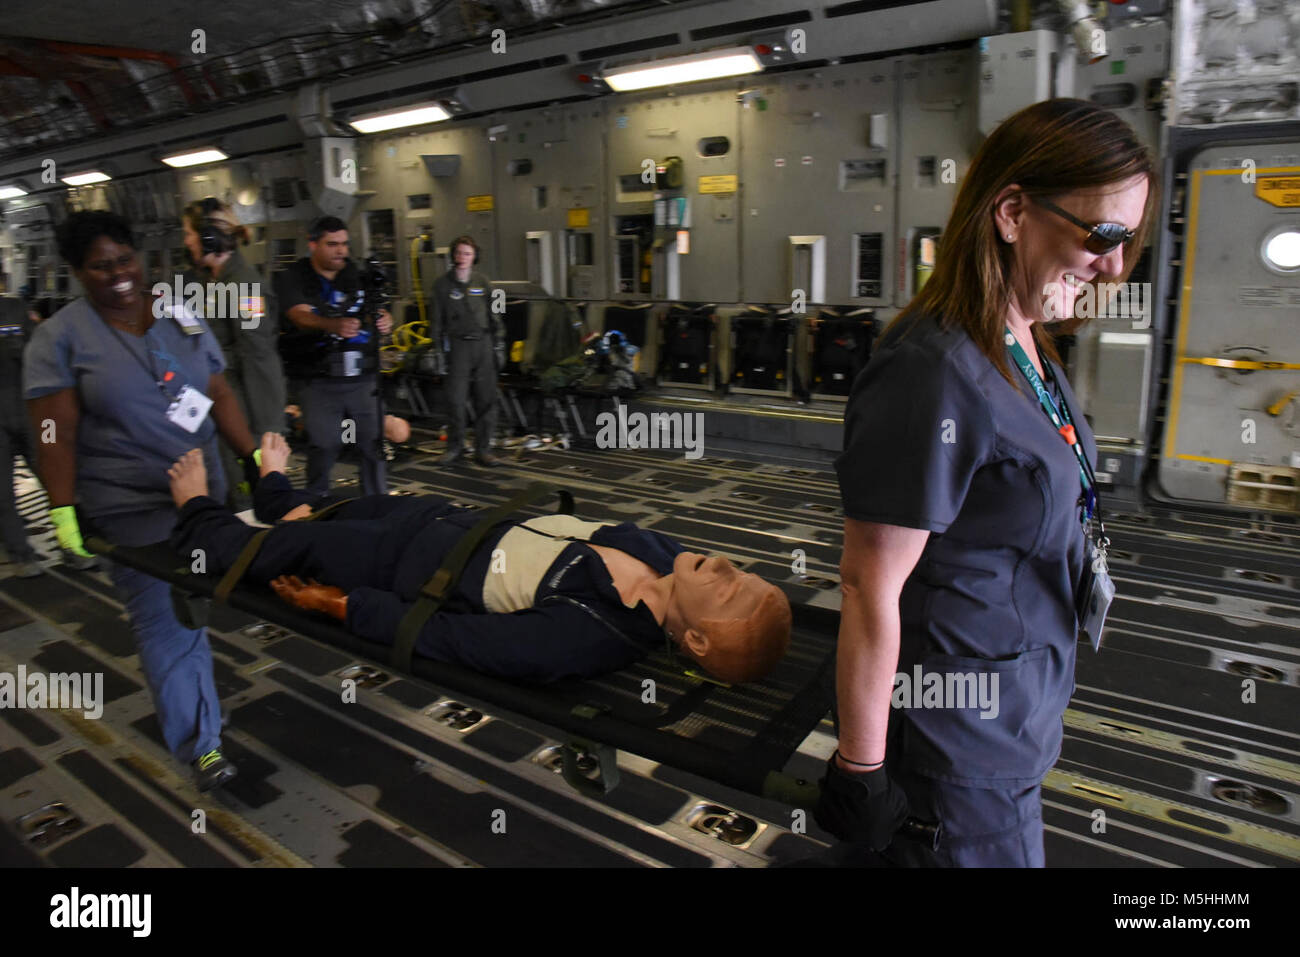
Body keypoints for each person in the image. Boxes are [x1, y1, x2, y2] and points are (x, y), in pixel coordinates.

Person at [816, 99, 1156, 866]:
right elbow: (870, 583)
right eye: (1101, 235)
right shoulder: (934, 369)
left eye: (1126, 241)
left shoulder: (1026, 344)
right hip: (956, 750)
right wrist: (861, 771)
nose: (1111, 265)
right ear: (1010, 211)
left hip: (1015, 718)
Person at [163, 433, 792, 685]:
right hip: (440, 518)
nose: (730, 570)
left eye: (734, 592)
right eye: (749, 573)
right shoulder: (666, 557)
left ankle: (194, 508)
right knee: (325, 506)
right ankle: (277, 495)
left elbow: (447, 637)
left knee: (248, 553)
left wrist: (343, 604)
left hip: (396, 565)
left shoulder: (587, 636)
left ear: (699, 644)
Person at [23, 210, 266, 791]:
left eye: (124, 260)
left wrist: (253, 459)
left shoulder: (177, 310)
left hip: (202, 492)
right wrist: (61, 506)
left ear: (141, 257)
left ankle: (199, 705)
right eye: (100, 267)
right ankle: (201, 745)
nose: (118, 275)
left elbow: (216, 389)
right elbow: (53, 430)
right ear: (78, 273)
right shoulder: (59, 339)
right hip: (130, 505)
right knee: (165, 622)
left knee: (200, 606)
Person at [181, 197, 286, 509]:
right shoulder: (207, 284)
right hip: (209, 407)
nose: (186, 241)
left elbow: (259, 358)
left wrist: (266, 433)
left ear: (209, 238)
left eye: (189, 233)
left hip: (238, 414)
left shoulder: (244, 289)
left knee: (243, 497)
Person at [276, 216, 392, 497]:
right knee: (325, 444)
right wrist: (332, 325)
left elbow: (376, 308)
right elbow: (299, 316)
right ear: (313, 244)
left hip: (362, 377)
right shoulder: (292, 277)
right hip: (318, 378)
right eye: (332, 244)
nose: (341, 251)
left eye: (344, 244)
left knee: (372, 444)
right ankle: (315, 503)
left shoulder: (354, 274)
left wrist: (384, 319)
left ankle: (377, 503)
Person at [428, 234, 503, 467]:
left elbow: (495, 316)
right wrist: (438, 351)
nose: (462, 258)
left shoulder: (484, 282)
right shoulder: (441, 285)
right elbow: (436, 323)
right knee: (456, 401)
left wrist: (499, 344)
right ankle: (455, 447)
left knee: (486, 400)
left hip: (483, 345)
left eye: (467, 254)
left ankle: (483, 449)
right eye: (459, 253)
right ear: (452, 256)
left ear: (474, 257)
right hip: (458, 347)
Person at [1, 294, 42, 577]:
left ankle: (75, 547)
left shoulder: (14, 308)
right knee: (2, 493)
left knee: (55, 478)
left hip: (29, 413)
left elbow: (40, 352)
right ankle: (21, 555)